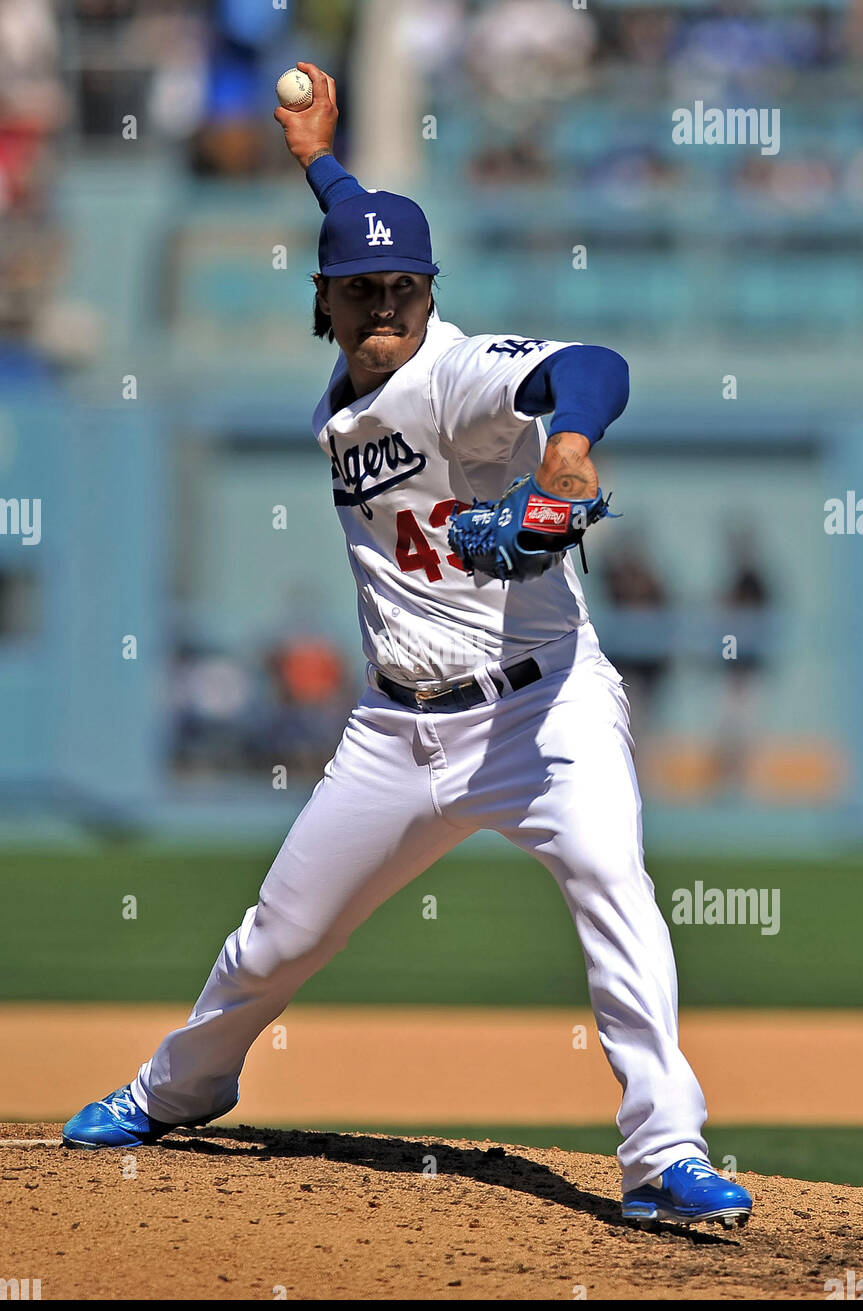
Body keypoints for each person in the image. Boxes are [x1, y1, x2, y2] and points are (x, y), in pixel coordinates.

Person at [62, 63, 752, 1230]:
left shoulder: (451, 373)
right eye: (361, 289)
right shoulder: (350, 368)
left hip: (542, 710)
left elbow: (588, 368)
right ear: (323, 304)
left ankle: (662, 1151)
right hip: (395, 726)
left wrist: (568, 447)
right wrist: (314, 161)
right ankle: (179, 1087)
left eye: (404, 289)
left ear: (431, 298)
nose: (385, 306)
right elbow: (360, 228)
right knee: (277, 934)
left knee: (615, 892)